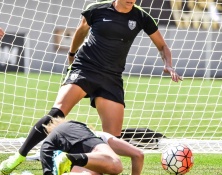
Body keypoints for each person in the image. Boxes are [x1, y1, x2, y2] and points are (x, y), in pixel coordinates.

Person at [0, 0, 182, 174]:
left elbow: (162, 46)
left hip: (111, 78)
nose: (131, 0)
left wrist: (169, 64)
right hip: (85, 68)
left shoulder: (142, 16)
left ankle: (69, 154)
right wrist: (72, 54)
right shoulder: (97, 9)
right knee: (56, 113)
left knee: (112, 141)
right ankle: (18, 157)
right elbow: (81, 31)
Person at [40, 117, 143, 175]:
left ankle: (70, 159)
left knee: (95, 173)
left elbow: (138, 155)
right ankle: (70, 158)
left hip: (48, 150)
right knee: (116, 165)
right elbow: (138, 154)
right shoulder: (95, 134)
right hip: (70, 131)